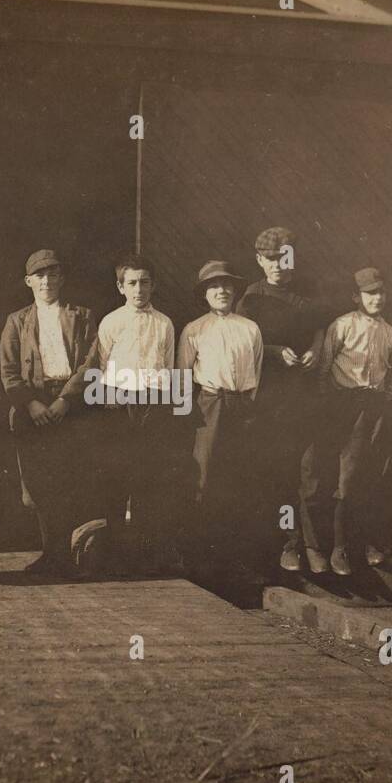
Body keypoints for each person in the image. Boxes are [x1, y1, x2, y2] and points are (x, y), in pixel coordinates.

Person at [300, 267, 392, 576]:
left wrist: (381, 398)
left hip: (371, 406)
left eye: (381, 293)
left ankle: (356, 545)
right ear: (356, 296)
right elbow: (324, 364)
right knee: (329, 473)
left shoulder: (390, 333)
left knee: (361, 473)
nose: (377, 298)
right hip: (339, 403)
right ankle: (332, 547)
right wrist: (329, 397)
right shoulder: (343, 325)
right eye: (370, 293)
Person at [0, 249, 97, 575]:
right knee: (40, 482)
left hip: (71, 405)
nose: (47, 281)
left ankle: (69, 556)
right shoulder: (17, 321)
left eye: (53, 274)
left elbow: (91, 363)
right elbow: (9, 371)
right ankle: (51, 553)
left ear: (62, 279)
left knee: (71, 478)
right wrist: (31, 403)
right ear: (29, 281)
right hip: (33, 407)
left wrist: (65, 400)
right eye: (39, 275)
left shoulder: (81, 315)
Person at [236, 226, 329, 572]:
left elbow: (320, 327)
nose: (278, 265)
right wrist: (276, 353)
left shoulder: (308, 293)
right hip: (270, 400)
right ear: (260, 261)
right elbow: (246, 344)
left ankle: (313, 546)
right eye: (270, 259)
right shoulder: (251, 297)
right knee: (277, 472)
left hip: (304, 396)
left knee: (310, 473)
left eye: (284, 258)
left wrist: (317, 350)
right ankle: (287, 546)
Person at [86, 252, 182, 569]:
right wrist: (105, 402)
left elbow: (169, 368)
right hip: (118, 405)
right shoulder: (111, 321)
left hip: (152, 406)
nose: (138, 289)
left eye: (144, 282)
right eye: (132, 283)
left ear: (153, 286)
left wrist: (168, 407)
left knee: (147, 476)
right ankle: (114, 550)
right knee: (118, 475)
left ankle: (144, 552)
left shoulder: (165, 323)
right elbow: (98, 367)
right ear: (120, 287)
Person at [176, 261, 263, 568]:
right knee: (205, 476)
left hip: (242, 407)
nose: (222, 291)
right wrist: (186, 420)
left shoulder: (250, 328)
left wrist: (246, 405)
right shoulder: (194, 330)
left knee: (238, 477)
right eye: (214, 286)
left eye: (226, 285)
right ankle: (200, 560)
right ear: (205, 294)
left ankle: (234, 561)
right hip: (208, 406)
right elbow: (182, 376)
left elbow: (257, 371)